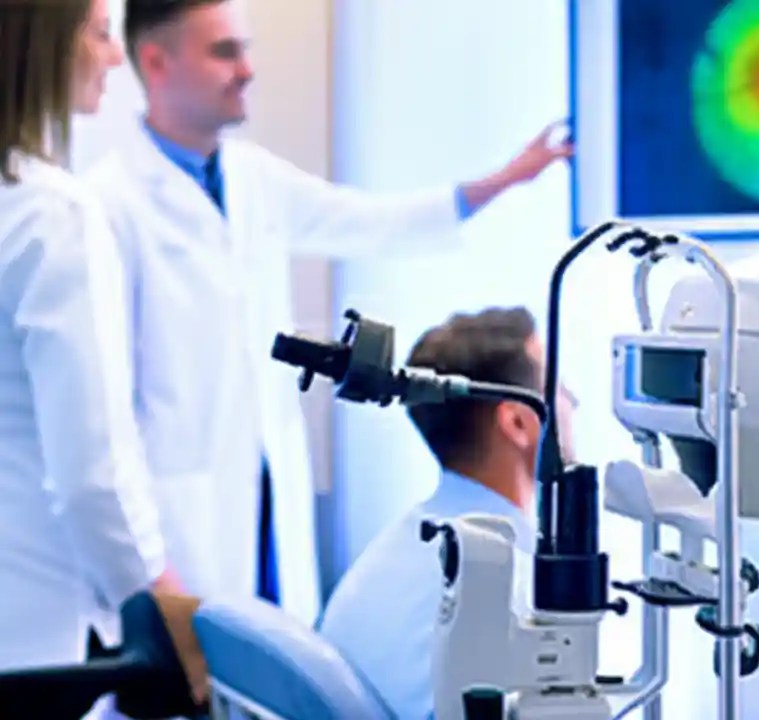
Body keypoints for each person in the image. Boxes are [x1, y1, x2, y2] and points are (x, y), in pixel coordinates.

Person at [82, 0, 573, 626]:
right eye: (225, 52)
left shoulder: (252, 178)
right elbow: (102, 417)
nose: (248, 69)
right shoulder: (107, 204)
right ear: (156, 61)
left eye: (247, 49)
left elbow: (366, 221)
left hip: (263, 494)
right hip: (177, 512)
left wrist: (502, 181)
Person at [0, 0, 180, 672]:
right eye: (102, 33)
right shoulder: (52, 215)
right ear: (41, 44)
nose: (114, 57)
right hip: (28, 635)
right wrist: (157, 592)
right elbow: (89, 476)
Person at [319, 307, 577, 719]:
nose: (572, 402)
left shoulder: (394, 550)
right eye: (559, 387)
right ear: (517, 422)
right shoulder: (514, 587)